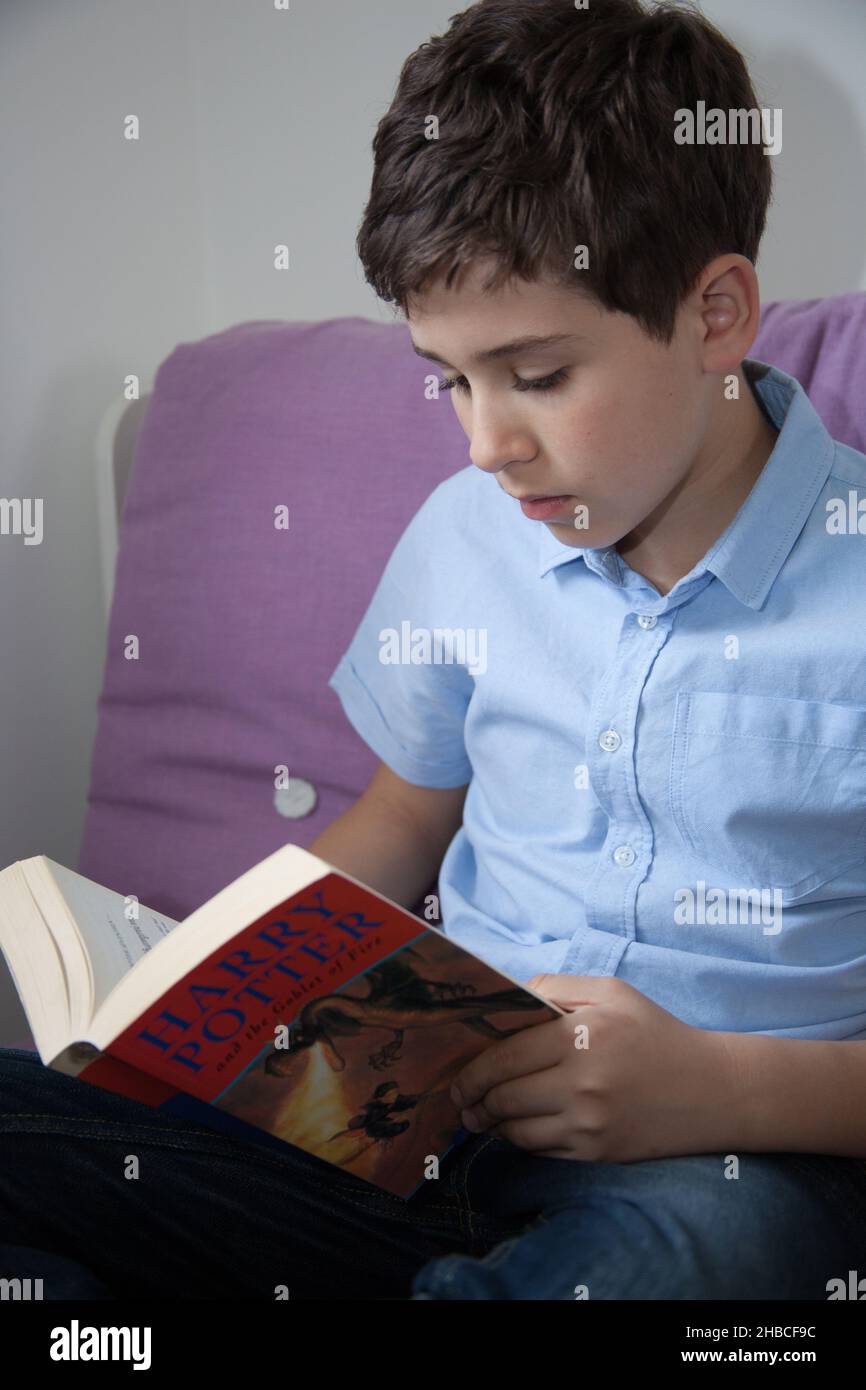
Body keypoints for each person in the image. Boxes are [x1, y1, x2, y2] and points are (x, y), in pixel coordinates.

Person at [4, 0, 866, 1300]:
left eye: (532, 373)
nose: (482, 444)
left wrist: (714, 1085)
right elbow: (403, 814)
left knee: (701, 1254)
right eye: (448, 379)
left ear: (716, 315)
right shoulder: (473, 533)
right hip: (418, 1127)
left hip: (731, 1152)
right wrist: (216, 982)